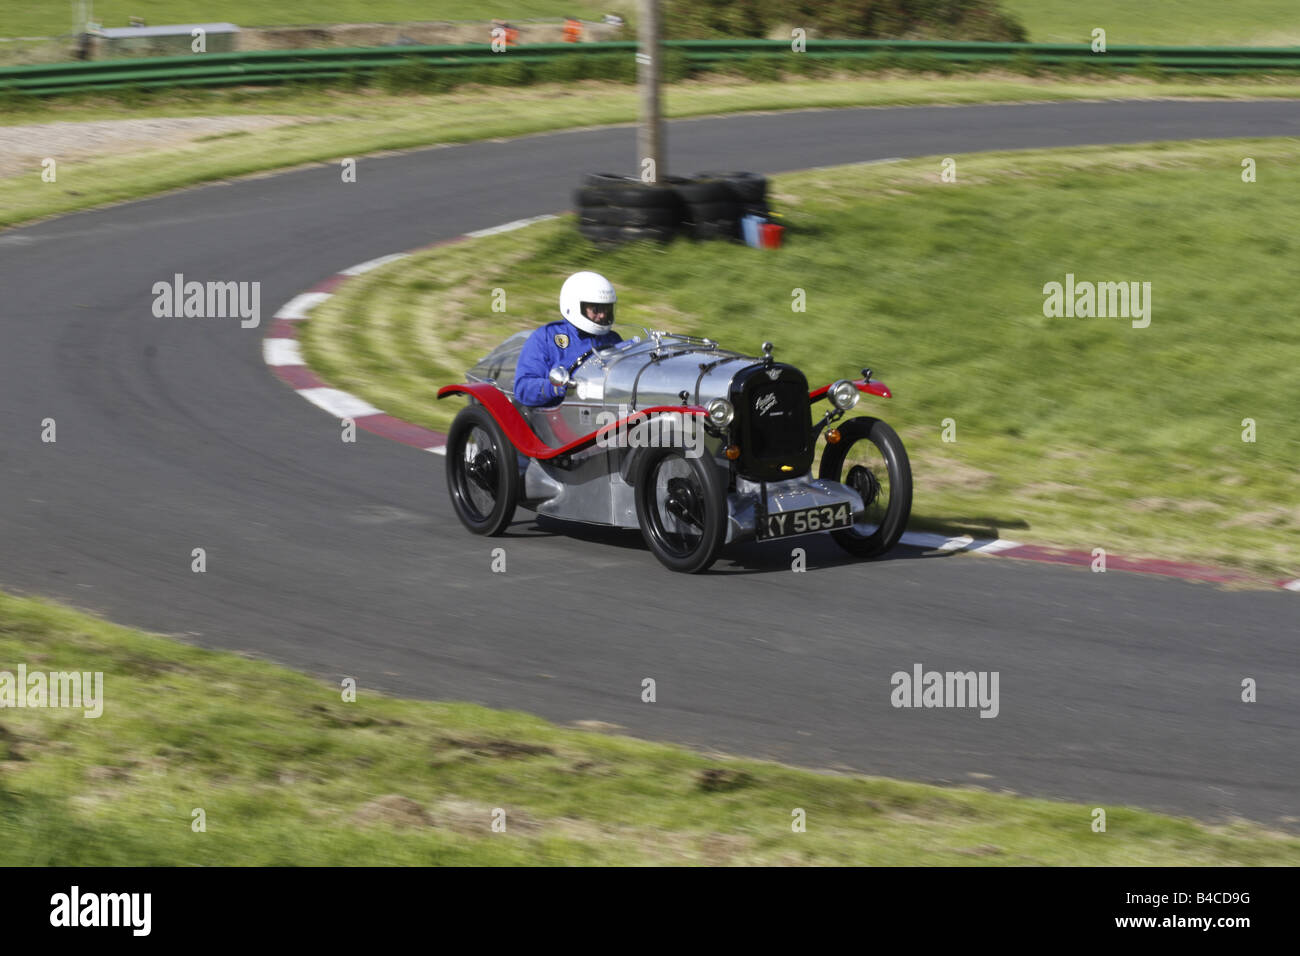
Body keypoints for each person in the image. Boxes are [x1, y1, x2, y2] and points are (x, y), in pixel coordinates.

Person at [513, 271, 621, 407]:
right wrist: (554, 386)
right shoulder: (546, 337)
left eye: (607, 309)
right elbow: (523, 389)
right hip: (560, 418)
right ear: (575, 305)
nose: (602, 316)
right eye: (596, 309)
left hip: (605, 411)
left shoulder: (613, 339)